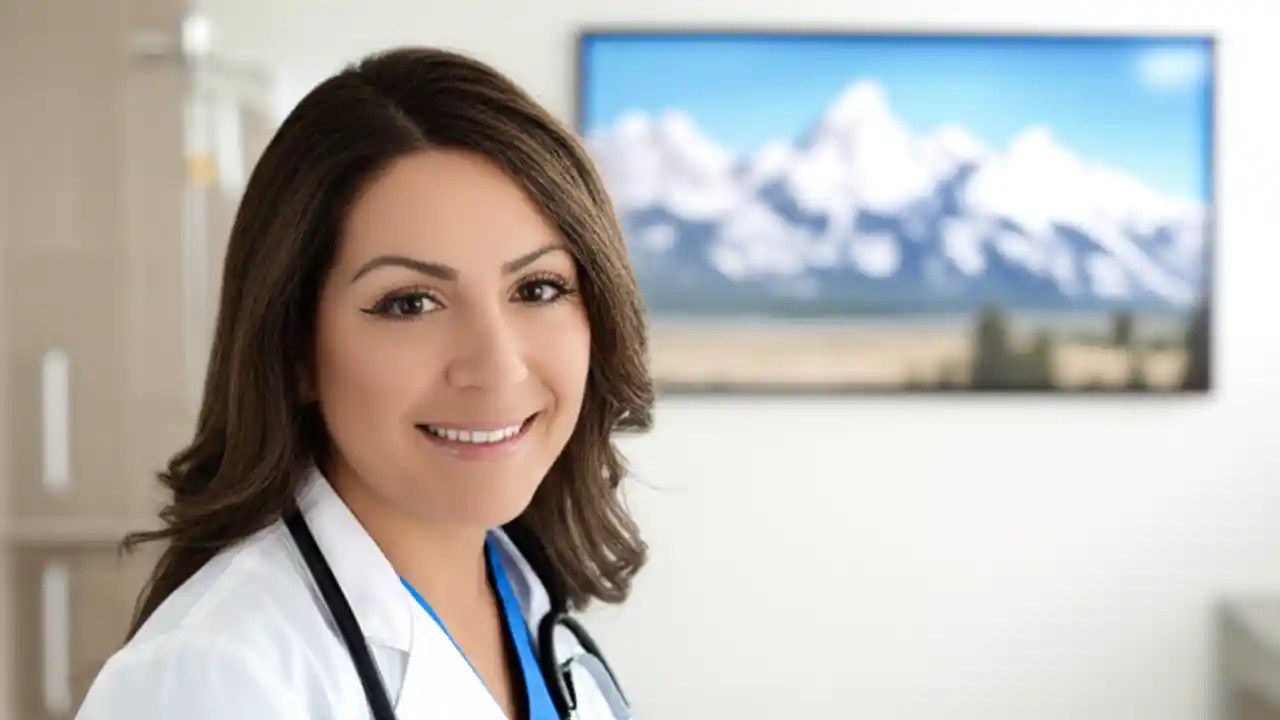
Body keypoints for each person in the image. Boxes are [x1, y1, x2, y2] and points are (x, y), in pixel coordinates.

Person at [75, 46, 653, 720]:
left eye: (538, 287)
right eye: (411, 302)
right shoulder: (214, 680)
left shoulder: (529, 610)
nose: (497, 365)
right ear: (295, 351)